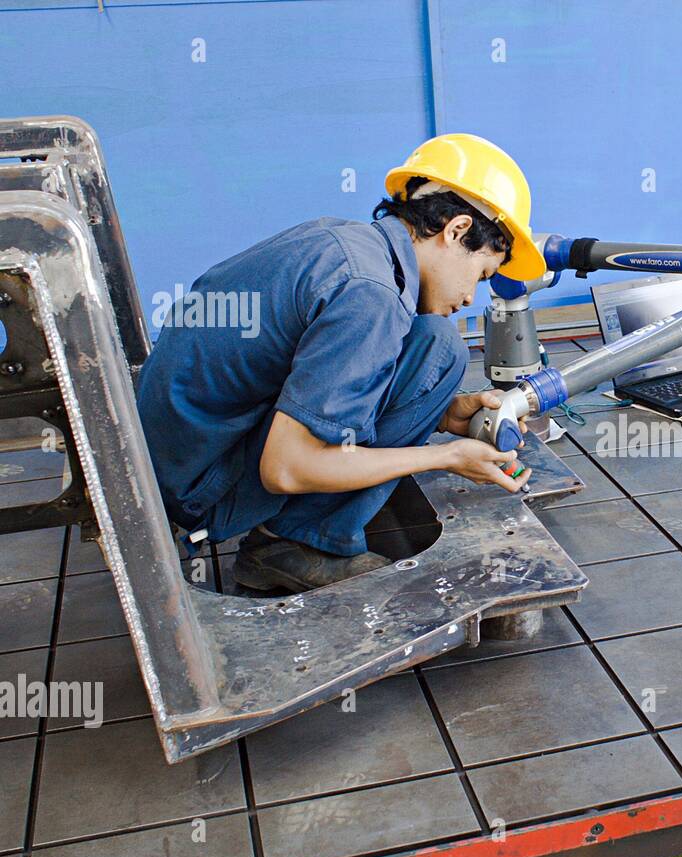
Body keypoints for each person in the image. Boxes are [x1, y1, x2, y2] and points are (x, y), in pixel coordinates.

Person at [136, 133, 547, 592]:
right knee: (443, 347)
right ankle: (293, 544)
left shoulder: (345, 243)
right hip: (193, 495)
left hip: (175, 457)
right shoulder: (370, 294)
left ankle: (297, 536)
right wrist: (447, 456)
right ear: (455, 230)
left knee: (433, 344)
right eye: (482, 273)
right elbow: (286, 468)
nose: (471, 296)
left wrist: (447, 414)